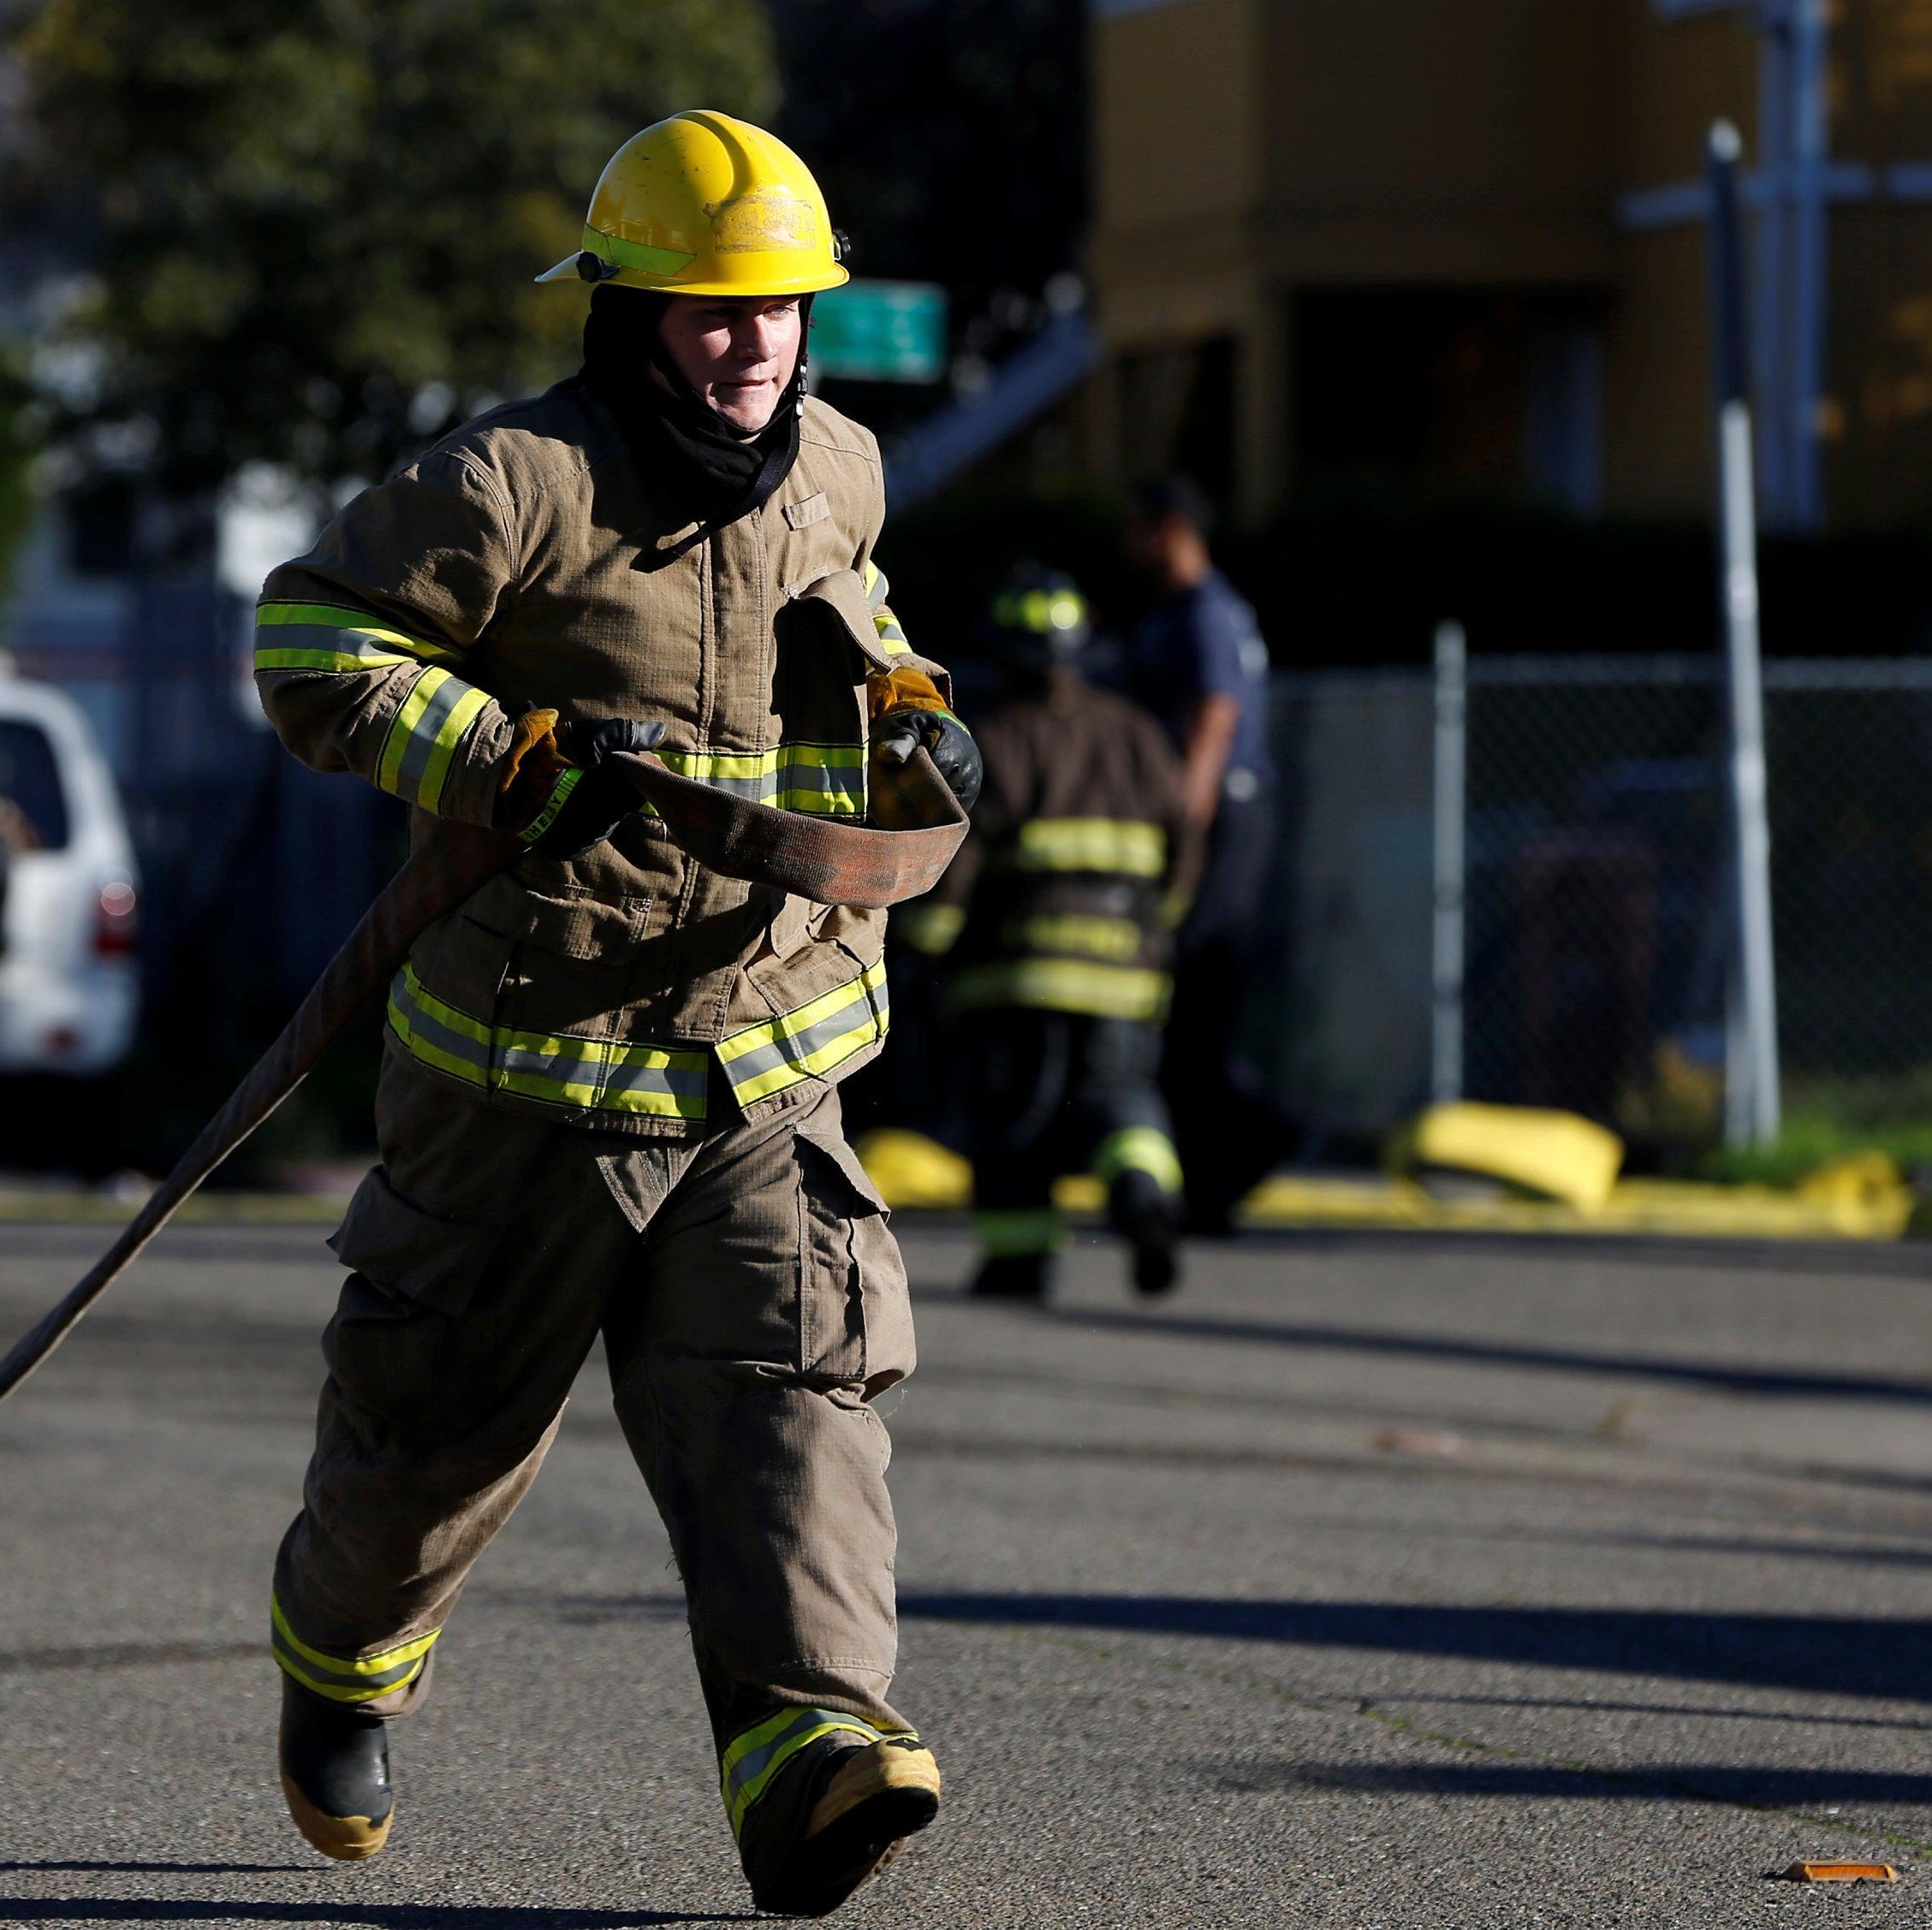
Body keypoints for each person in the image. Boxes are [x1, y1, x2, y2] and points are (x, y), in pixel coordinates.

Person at [247, 111, 981, 1918]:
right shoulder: (517, 485)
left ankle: (814, 1753)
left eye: (778, 312)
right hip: (520, 1084)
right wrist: (504, 755)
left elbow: (853, 613)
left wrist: (911, 711)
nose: (750, 347)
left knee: (791, 1396)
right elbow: (311, 646)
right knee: (427, 1453)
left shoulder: (836, 469)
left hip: (757, 1059)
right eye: (705, 311)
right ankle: (342, 1666)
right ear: (625, 310)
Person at [902, 567, 1195, 1303]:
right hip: (1128, 975)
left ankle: (1019, 1261)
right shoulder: (1136, 733)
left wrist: (924, 943)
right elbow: (1186, 841)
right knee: (1123, 1100)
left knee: (1015, 1123)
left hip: (1016, 979)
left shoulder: (997, 741)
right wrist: (1159, 929)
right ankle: (1142, 1191)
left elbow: (958, 861)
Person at [1122, 475, 1293, 1233]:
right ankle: (1215, 1173)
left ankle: (1251, 1144)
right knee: (1190, 1001)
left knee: (1198, 989)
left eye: (1139, 528)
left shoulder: (1204, 615)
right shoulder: (1183, 613)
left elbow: (1215, 724)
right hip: (1223, 817)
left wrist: (1183, 830)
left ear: (1169, 529)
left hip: (1223, 820)